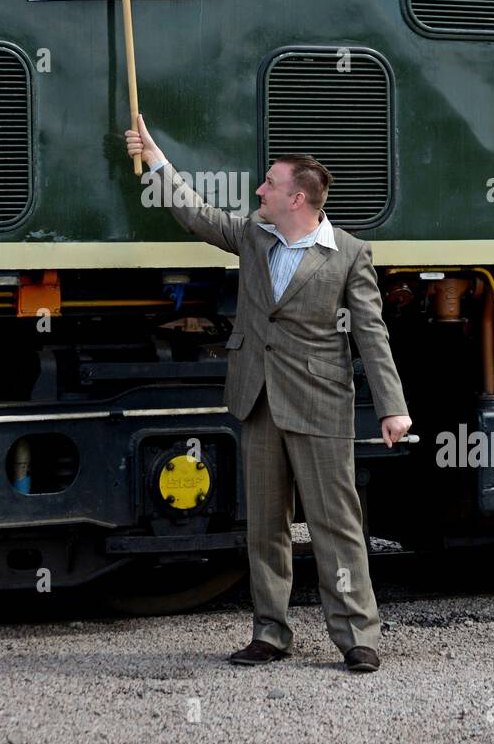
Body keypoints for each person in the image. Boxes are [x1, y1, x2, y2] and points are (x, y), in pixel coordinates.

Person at [125, 115, 412, 674]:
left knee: (336, 525)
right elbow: (195, 214)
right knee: (265, 526)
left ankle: (357, 636)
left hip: (320, 402)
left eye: (269, 184)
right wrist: (156, 157)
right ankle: (269, 633)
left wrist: (392, 406)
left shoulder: (350, 254)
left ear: (297, 197)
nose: (259, 190)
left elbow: (371, 333)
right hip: (257, 398)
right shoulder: (253, 235)